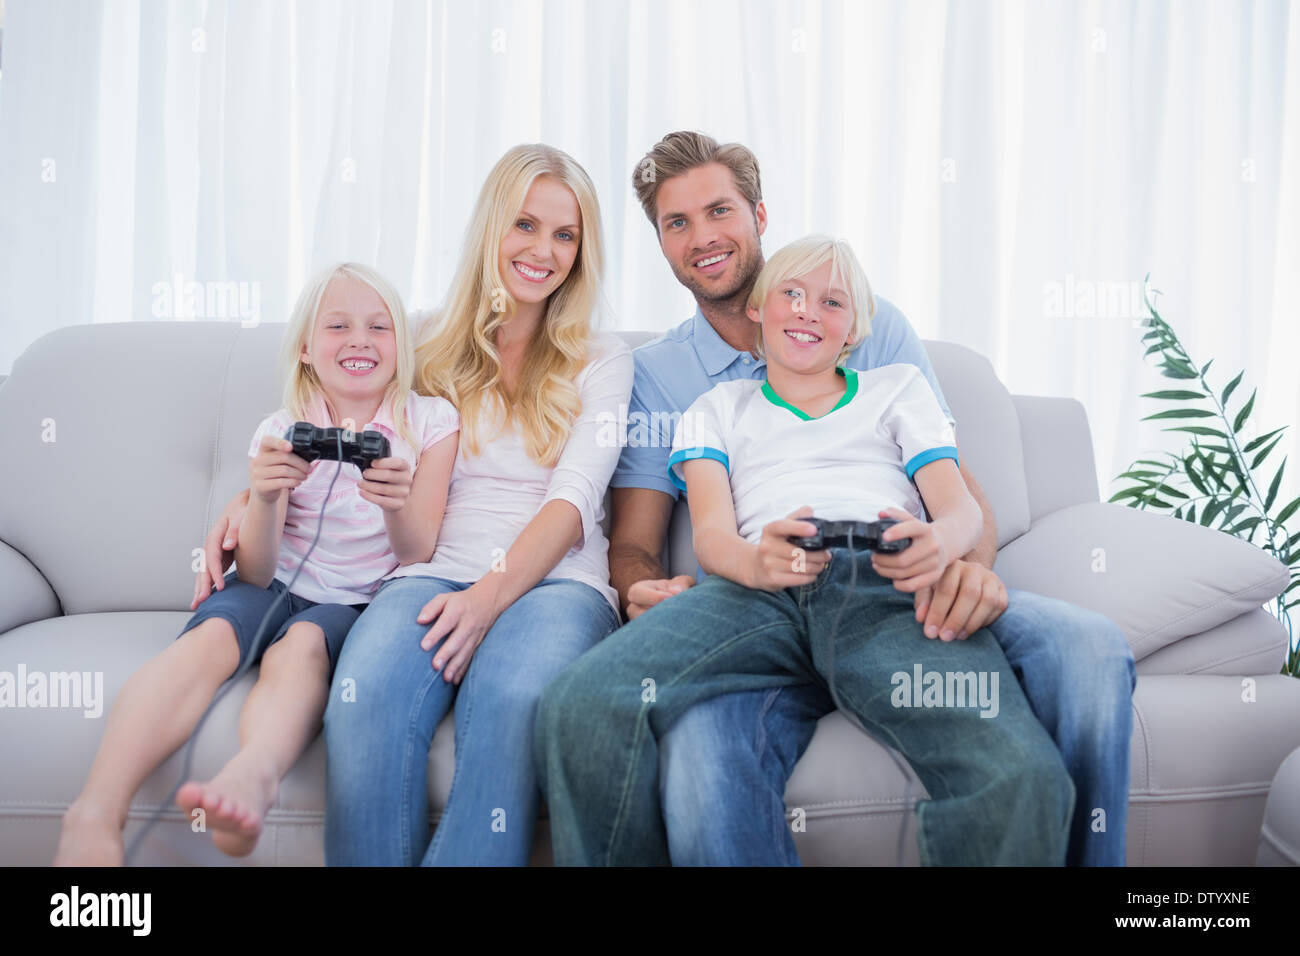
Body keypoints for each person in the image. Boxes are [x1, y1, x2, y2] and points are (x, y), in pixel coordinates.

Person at [602, 131, 1136, 866]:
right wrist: (642, 593)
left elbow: (953, 487)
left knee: (1090, 647)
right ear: (660, 243)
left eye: (719, 210)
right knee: (701, 764)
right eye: (677, 222)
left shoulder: (873, 336)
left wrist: (970, 565)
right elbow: (633, 542)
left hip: (895, 593)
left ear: (759, 215)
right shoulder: (664, 377)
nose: (703, 237)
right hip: (764, 608)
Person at [536, 235, 1075, 865]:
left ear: (854, 331)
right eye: (792, 293)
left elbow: (959, 510)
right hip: (757, 592)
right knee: (578, 702)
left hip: (886, 592)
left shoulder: (897, 388)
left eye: (833, 302)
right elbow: (712, 539)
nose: (808, 311)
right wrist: (756, 562)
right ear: (759, 309)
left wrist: (938, 545)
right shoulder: (716, 408)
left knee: (1023, 774)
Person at [195, 144, 632, 866]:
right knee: (363, 704)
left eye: (566, 234)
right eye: (525, 225)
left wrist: (488, 598)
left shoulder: (604, 358)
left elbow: (574, 502)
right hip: (427, 572)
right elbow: (333, 423)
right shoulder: (422, 337)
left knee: (511, 706)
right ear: (492, 228)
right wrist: (250, 496)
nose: (543, 251)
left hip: (557, 584)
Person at [53, 263, 459, 865]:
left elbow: (416, 550)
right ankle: (94, 812)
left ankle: (250, 777)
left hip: (353, 603)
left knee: (299, 652)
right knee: (205, 641)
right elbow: (260, 570)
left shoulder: (429, 422)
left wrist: (394, 504)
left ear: (402, 344)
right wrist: (264, 498)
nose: (359, 340)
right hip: (272, 582)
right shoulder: (279, 429)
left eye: (379, 327)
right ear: (303, 348)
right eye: (337, 326)